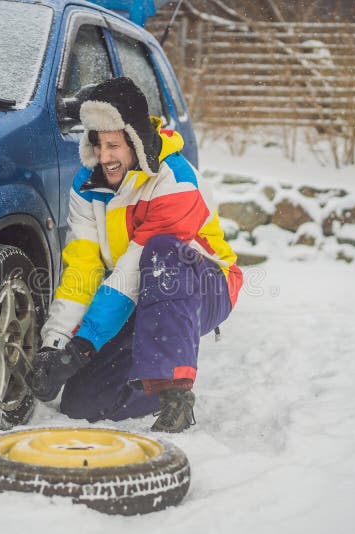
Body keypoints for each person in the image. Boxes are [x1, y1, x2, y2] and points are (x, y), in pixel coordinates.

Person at [30, 77, 243, 432]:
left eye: (114, 145)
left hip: (204, 285)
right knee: (83, 404)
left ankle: (174, 392)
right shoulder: (87, 184)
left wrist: (84, 346)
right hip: (138, 294)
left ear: (137, 140)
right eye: (97, 144)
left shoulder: (174, 180)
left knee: (161, 254)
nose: (105, 156)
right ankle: (148, 381)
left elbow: (131, 271)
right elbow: (82, 267)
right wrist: (57, 343)